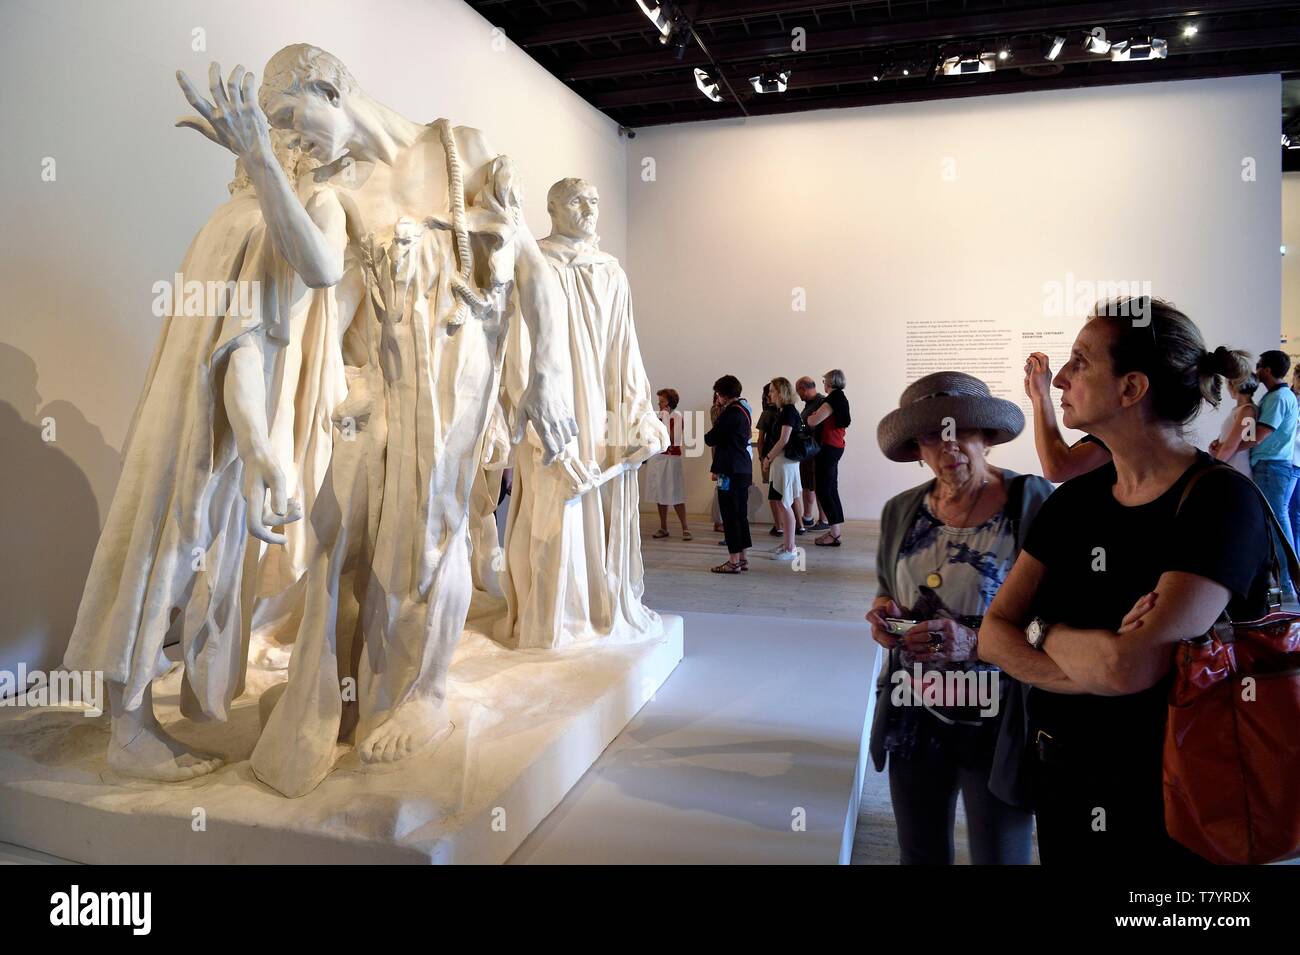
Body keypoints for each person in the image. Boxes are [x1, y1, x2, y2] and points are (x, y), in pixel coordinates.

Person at [980, 297, 1269, 865]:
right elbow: (993, 634)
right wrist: (1094, 658)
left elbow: (1128, 666)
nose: (1059, 377)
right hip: (1063, 775)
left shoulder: (1218, 502)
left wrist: (1040, 630)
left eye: (1081, 361)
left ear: (1132, 388)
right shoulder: (1074, 502)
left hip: (1174, 791)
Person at [868, 371, 1049, 864]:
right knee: (920, 853)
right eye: (932, 435)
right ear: (917, 448)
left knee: (1000, 854)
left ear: (986, 437)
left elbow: (1058, 621)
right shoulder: (900, 511)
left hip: (1001, 715)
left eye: (959, 431)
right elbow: (889, 591)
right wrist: (886, 617)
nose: (948, 447)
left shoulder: (1033, 504)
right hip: (915, 714)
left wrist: (974, 643)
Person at [1242, 350, 1298, 597]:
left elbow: (1261, 433)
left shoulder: (1278, 398)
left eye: (1259, 365)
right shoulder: (1279, 396)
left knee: (1279, 528)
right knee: (1278, 526)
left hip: (1273, 467)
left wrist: (1228, 446)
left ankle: (1288, 586)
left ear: (1266, 369)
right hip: (1274, 467)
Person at [1024, 352, 1112, 481]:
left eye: (1081, 365)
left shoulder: (1130, 433)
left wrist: (1040, 397)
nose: (1056, 381)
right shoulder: (1111, 438)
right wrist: (1037, 397)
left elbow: (1058, 468)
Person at [705, 375, 753, 573]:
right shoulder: (745, 410)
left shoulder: (729, 412)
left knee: (729, 515)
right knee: (740, 514)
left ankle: (733, 561)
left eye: (718, 393)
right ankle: (742, 558)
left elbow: (710, 438)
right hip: (743, 468)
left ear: (723, 394)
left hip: (729, 471)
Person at [759, 377, 804, 560]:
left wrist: (768, 458)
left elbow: (783, 440)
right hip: (783, 463)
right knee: (780, 502)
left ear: (781, 392)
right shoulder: (785, 411)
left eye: (772, 390)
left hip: (784, 463)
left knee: (785, 505)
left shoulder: (788, 412)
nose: (769, 394)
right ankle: (787, 543)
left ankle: (790, 548)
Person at [804, 368, 850, 545]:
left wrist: (813, 415)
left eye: (824, 381)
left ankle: (835, 534)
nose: (823, 384)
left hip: (828, 447)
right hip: (836, 446)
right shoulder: (841, 398)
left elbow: (812, 421)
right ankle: (835, 531)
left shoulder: (832, 400)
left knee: (824, 490)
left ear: (830, 382)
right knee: (831, 489)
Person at [646, 388, 691, 540]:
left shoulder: (676, 417)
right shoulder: (657, 417)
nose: (659, 403)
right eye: (659, 401)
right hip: (658, 459)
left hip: (672, 460)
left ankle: (685, 528)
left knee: (676, 493)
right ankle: (663, 527)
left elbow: (673, 438)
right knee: (660, 494)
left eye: (663, 401)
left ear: (670, 402)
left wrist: (662, 421)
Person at [1208, 373, 1259, 476]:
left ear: (1234, 385)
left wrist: (1213, 467)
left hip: (1236, 466)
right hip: (1229, 464)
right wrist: (1217, 442)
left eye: (1228, 383)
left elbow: (1232, 445)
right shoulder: (1240, 410)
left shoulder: (1248, 410)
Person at [796, 376, 826, 528]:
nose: (798, 395)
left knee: (816, 485)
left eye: (798, 391)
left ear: (803, 388)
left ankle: (823, 519)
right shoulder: (811, 404)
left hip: (815, 451)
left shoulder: (821, 403)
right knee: (809, 484)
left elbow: (813, 426)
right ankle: (808, 517)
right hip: (809, 452)